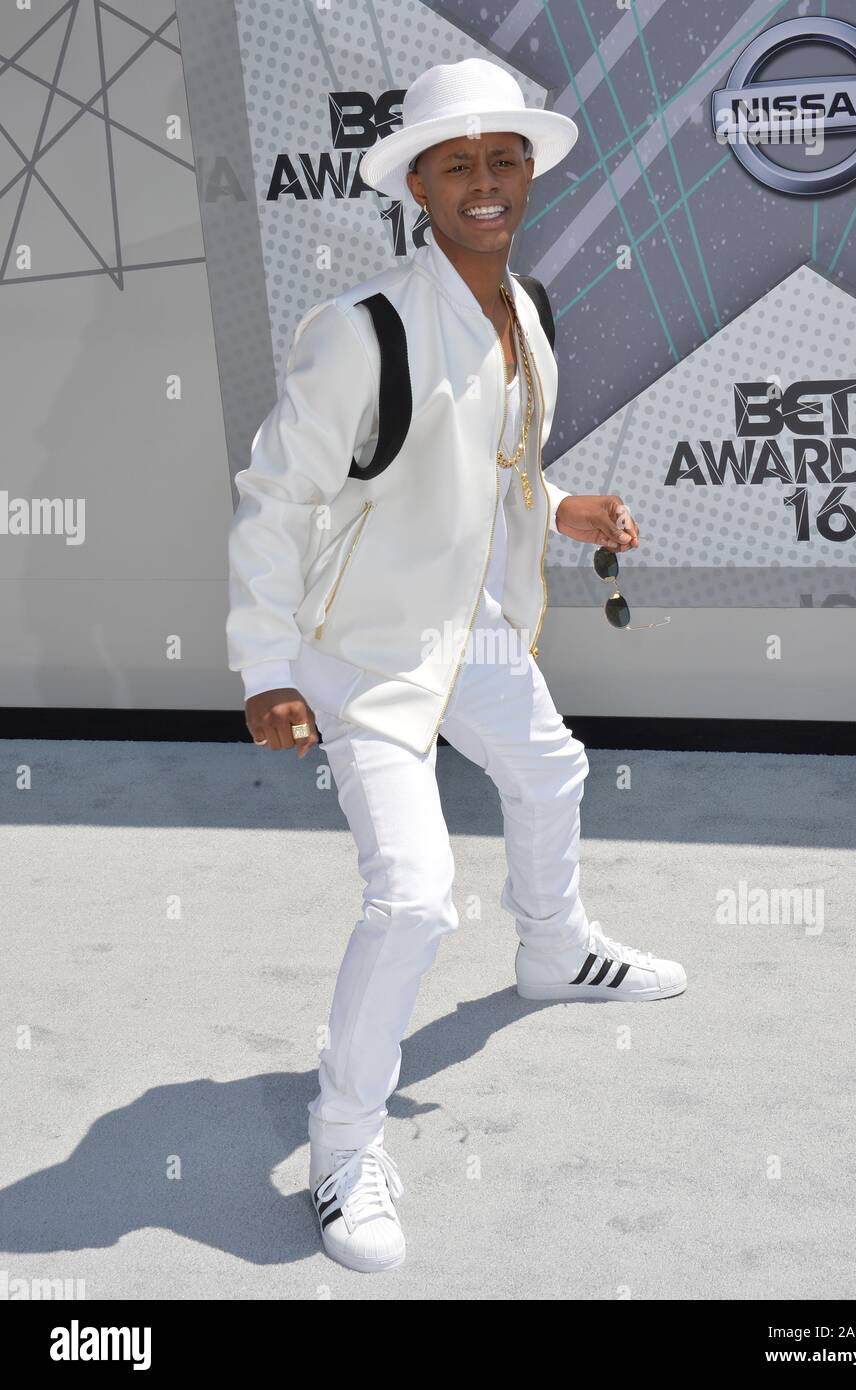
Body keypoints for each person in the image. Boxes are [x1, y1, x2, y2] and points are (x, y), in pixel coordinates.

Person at [226, 57, 686, 1276]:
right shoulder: (360, 330)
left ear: (526, 172)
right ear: (418, 187)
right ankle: (340, 1147)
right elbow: (275, 500)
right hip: (362, 654)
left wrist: (563, 506)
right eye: (457, 164)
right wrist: (266, 667)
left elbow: (496, 458)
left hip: (470, 627)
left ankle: (553, 948)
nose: (485, 182)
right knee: (416, 896)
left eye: (503, 159)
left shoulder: (523, 308)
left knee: (551, 769)